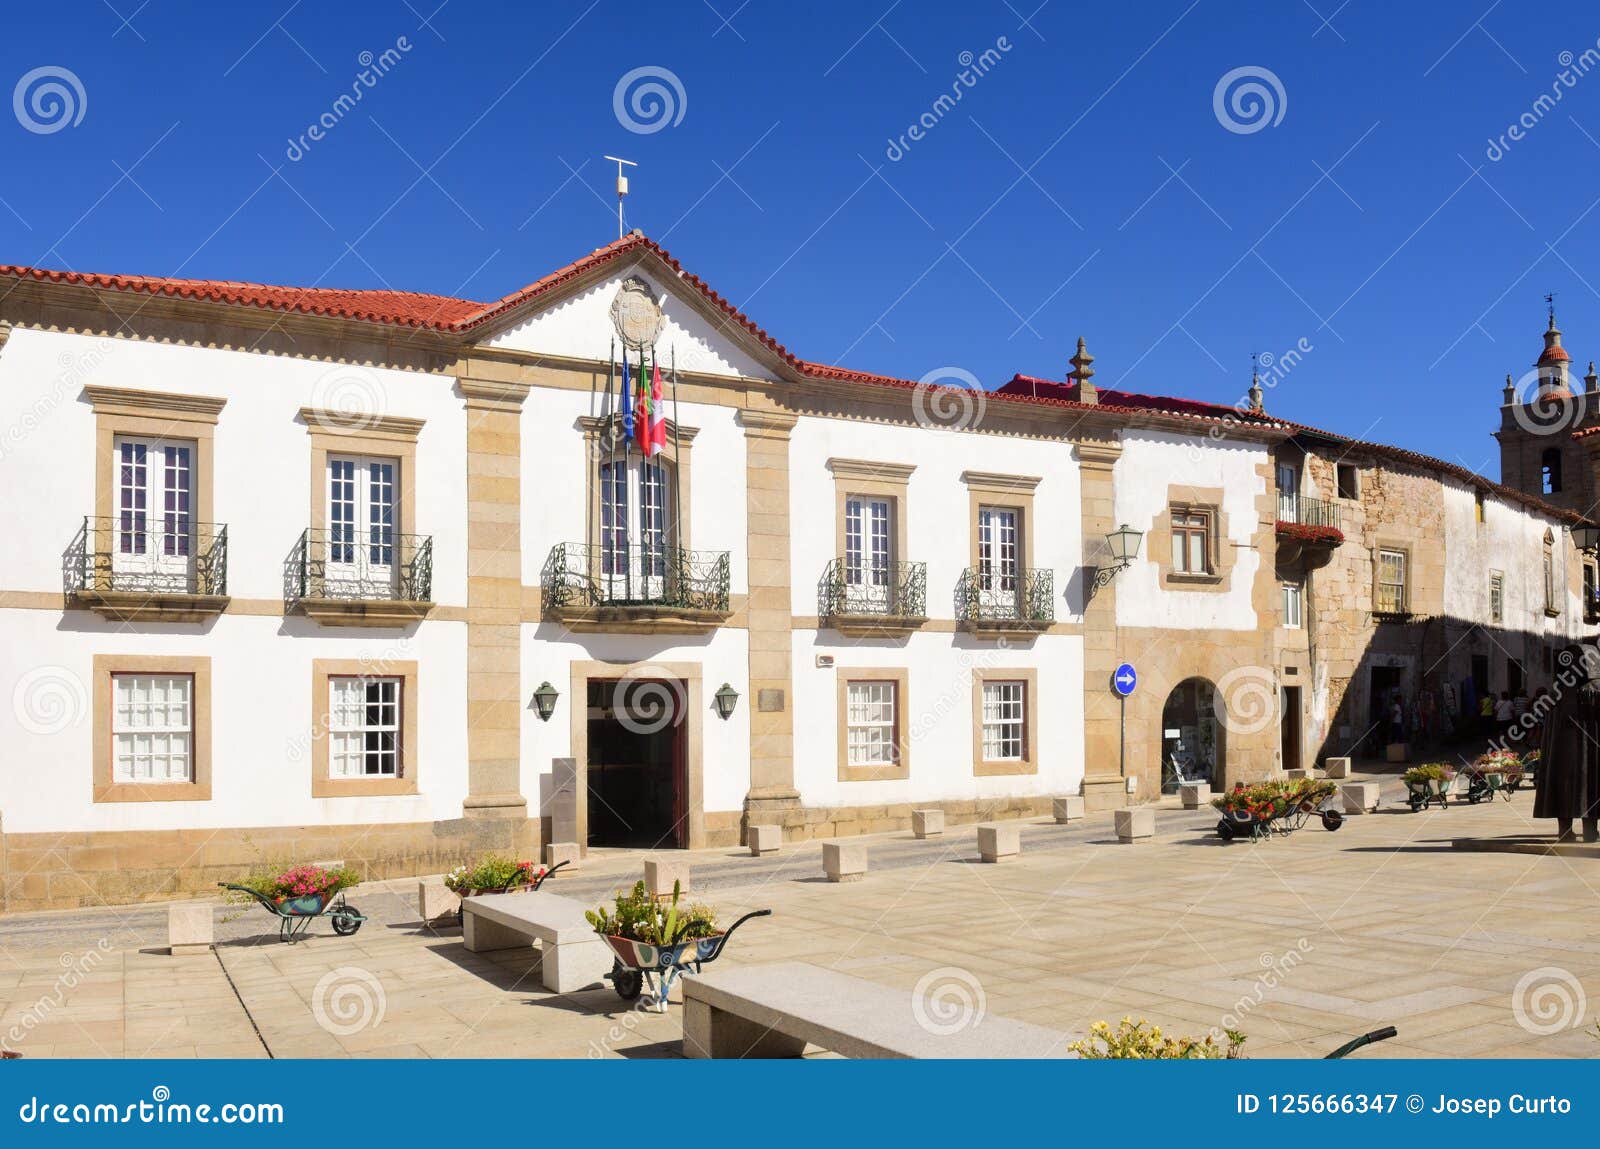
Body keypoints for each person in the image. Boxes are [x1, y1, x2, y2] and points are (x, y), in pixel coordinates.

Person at [1536, 645, 1600, 842]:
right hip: (1589, 754)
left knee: (1563, 781)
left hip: (1565, 756)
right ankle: (1589, 831)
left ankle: (1565, 831)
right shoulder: (1594, 689)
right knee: (1592, 783)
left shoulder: (1556, 693)